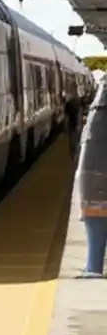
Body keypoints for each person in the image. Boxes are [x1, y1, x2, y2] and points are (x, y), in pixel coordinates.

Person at [76, 82, 107, 277]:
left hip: (96, 178)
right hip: (95, 177)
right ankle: (92, 265)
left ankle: (93, 266)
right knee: (95, 221)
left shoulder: (99, 114)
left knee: (95, 220)